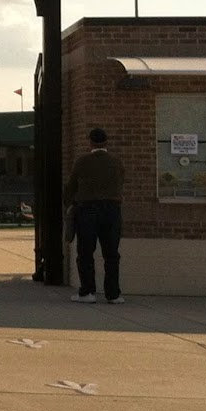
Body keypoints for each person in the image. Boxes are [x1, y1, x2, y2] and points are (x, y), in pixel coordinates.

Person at [65, 127, 125, 303]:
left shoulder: (82, 162)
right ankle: (113, 294)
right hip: (112, 209)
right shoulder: (116, 162)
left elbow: (71, 186)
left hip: (87, 210)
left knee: (85, 252)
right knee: (111, 254)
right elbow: (121, 182)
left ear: (90, 142)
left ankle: (88, 292)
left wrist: (68, 204)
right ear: (106, 142)